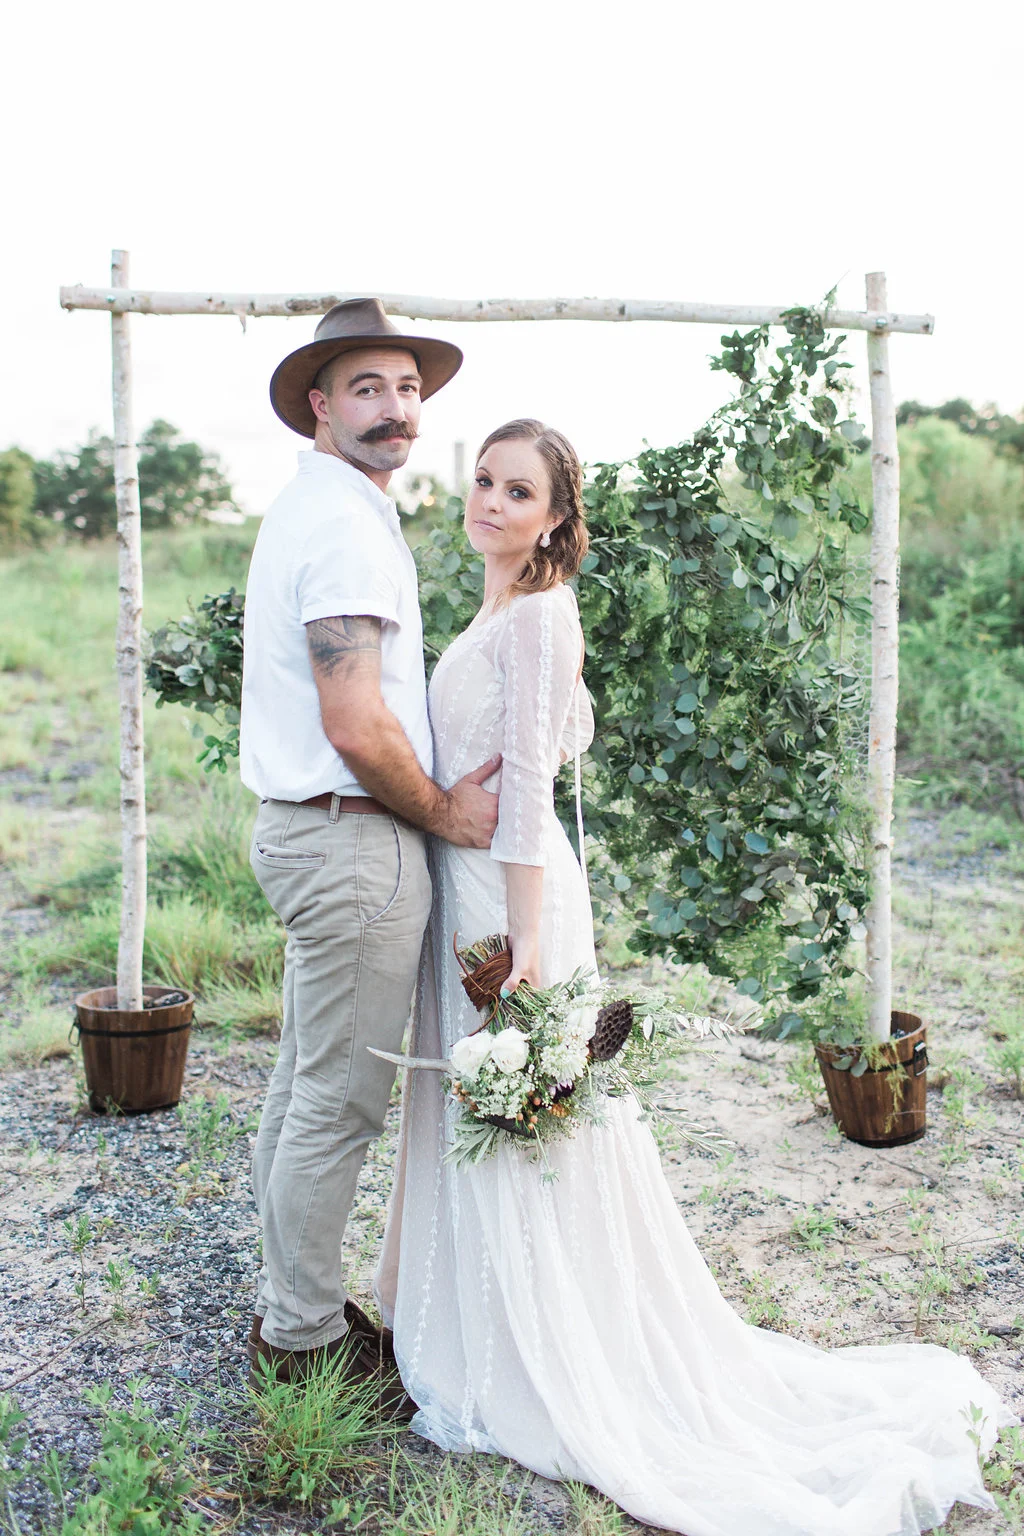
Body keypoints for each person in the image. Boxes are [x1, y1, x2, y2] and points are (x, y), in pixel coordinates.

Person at [375, 418, 1016, 1534]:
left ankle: (552, 1349)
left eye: (516, 491)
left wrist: (527, 956)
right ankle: (477, 1319)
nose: (487, 501)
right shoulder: (493, 604)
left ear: (555, 521)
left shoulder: (538, 618)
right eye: (481, 479)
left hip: (510, 899)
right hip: (477, 885)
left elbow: (530, 785)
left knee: (527, 1118)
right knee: (496, 1115)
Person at [239, 298, 501, 1402]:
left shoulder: (329, 504)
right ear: (319, 403)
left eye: (407, 388)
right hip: (351, 841)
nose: (396, 410)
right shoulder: (343, 523)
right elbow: (354, 721)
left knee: (305, 1083)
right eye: (367, 389)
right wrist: (446, 811)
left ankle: (290, 1300)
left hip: (316, 834)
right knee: (338, 1101)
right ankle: (299, 1339)